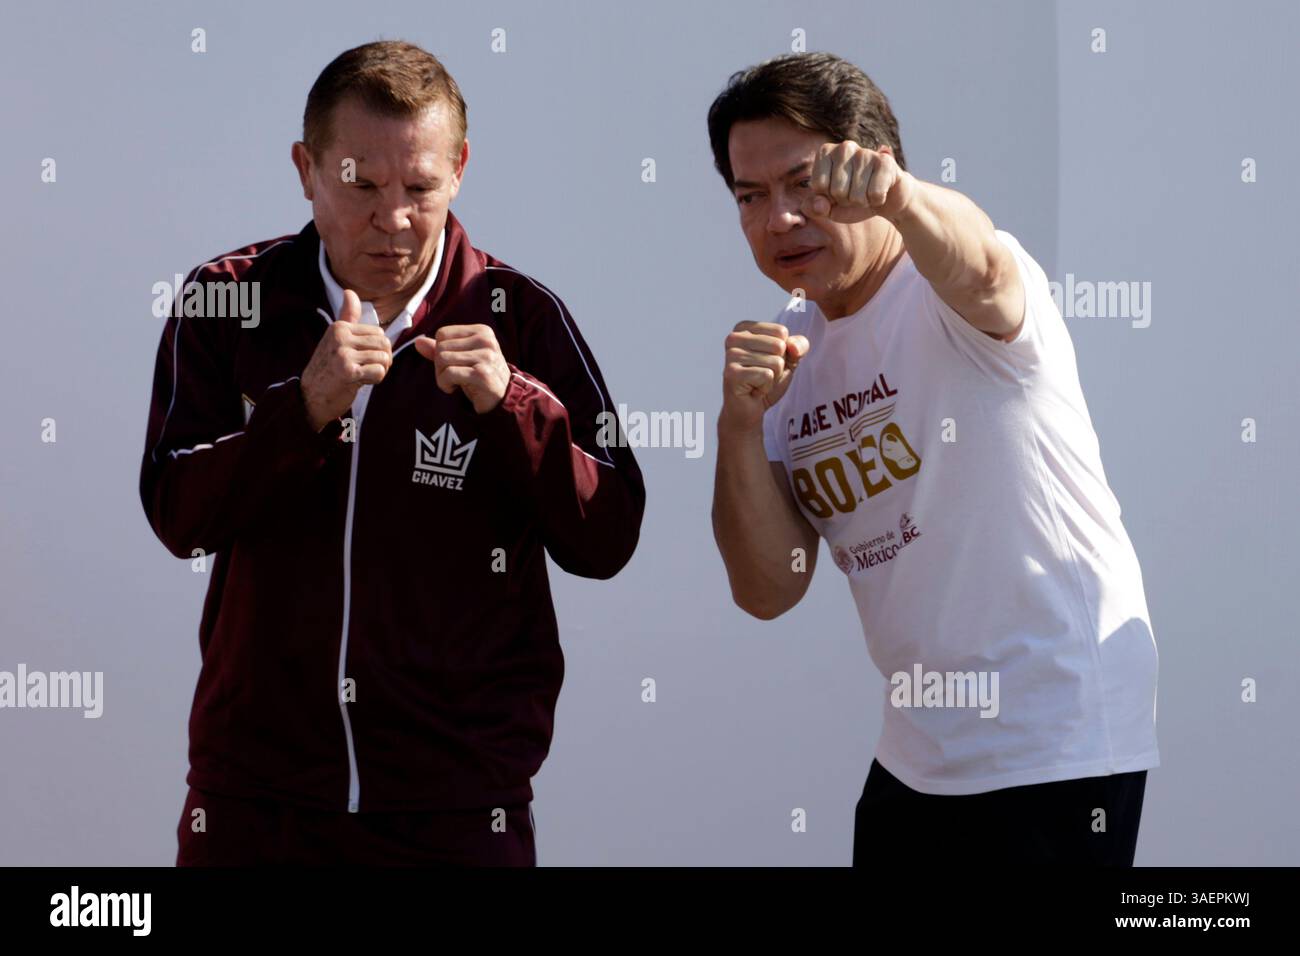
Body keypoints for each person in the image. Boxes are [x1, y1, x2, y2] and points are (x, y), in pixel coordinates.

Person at [140, 40, 645, 866]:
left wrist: (514, 404)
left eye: (420, 187)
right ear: (307, 169)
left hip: (457, 807)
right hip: (253, 801)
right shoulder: (225, 300)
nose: (395, 218)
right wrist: (301, 410)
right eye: (361, 185)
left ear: (460, 169)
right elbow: (176, 514)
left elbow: (609, 535)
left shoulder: (521, 317)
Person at [708, 52, 1158, 865]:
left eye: (805, 182)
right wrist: (738, 428)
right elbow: (769, 589)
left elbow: (983, 265)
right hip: (917, 756)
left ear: (872, 170)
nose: (778, 218)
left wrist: (905, 200)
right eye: (751, 195)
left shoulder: (948, 283)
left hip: (1051, 740)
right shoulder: (788, 351)